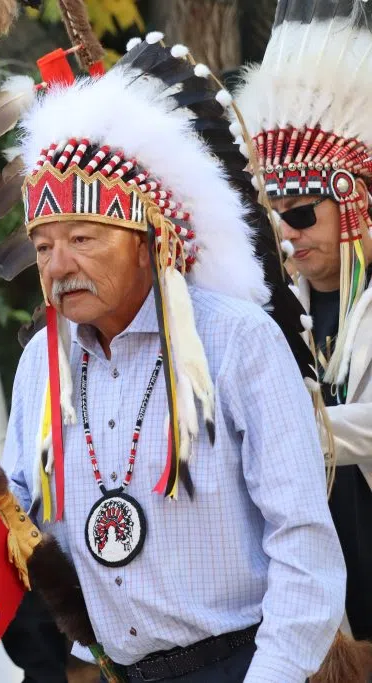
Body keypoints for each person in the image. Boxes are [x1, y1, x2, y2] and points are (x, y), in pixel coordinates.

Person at [0, 35, 345, 682]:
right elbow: (33, 524)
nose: (57, 264)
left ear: (148, 242)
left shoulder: (237, 341)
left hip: (247, 662)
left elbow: (304, 545)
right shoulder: (45, 362)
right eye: (42, 247)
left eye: (82, 238)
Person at [234, 0, 372, 643]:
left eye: (302, 213)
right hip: (329, 607)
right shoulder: (268, 309)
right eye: (274, 216)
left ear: (354, 200)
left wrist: (277, 430)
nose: (287, 234)